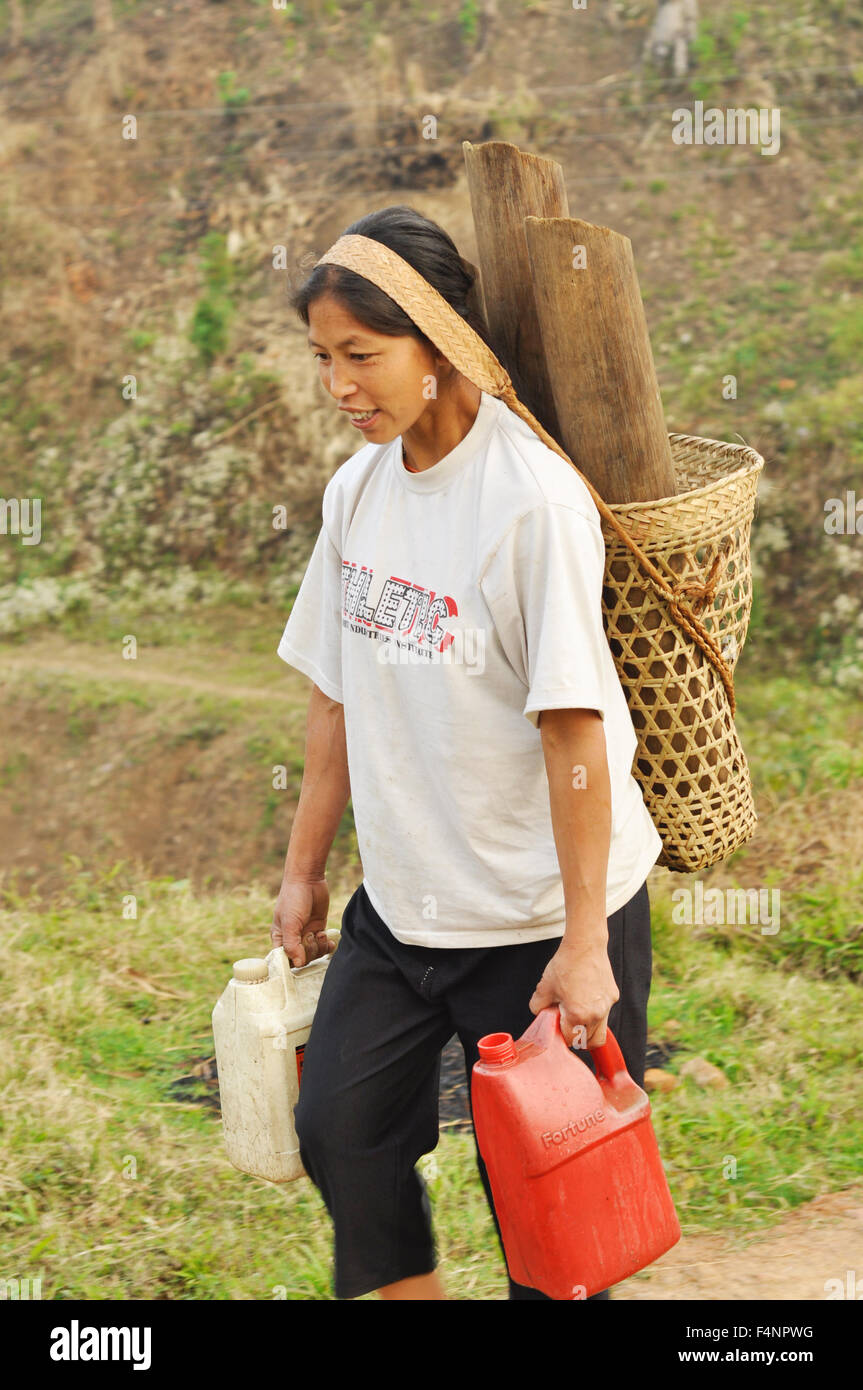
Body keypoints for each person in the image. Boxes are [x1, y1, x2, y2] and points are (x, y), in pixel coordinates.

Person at [270, 205, 663, 1301]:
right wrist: (304, 872)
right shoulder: (356, 492)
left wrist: (584, 946)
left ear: (435, 343)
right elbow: (332, 697)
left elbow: (574, 733)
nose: (340, 384)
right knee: (341, 1133)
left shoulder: (526, 501)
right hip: (402, 915)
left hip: (541, 921)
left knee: (549, 1206)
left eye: (362, 355)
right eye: (323, 358)